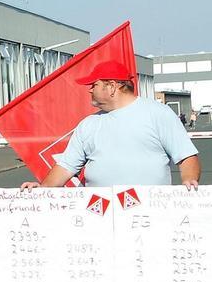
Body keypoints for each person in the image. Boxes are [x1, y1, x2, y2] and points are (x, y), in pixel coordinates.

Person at [27, 61, 201, 190]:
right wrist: (42, 190)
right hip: (100, 215)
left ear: (111, 87)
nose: (89, 90)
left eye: (94, 85)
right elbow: (66, 166)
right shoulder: (88, 125)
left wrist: (189, 182)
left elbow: (186, 157)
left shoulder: (158, 113)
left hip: (150, 214)